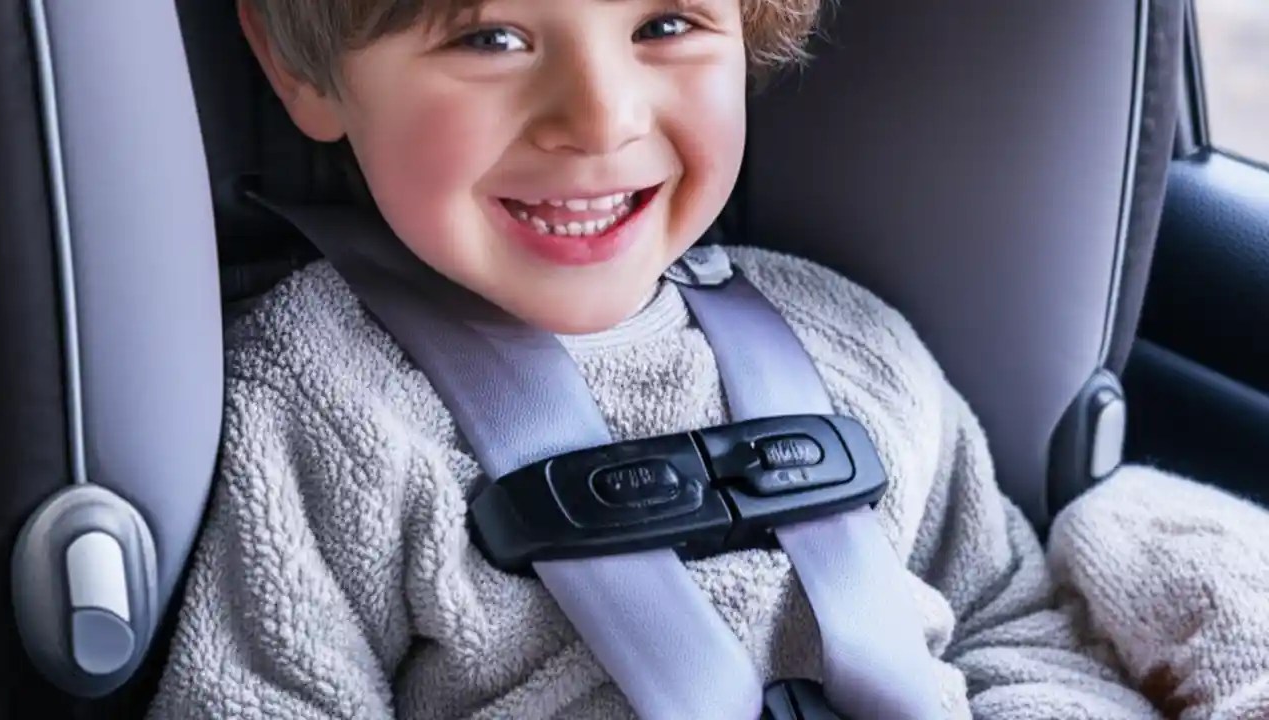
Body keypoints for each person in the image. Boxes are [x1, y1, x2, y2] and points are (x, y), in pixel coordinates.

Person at [149, 0, 1269, 717]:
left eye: (666, 22)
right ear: (305, 70)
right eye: (489, 36)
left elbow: (1002, 618)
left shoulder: (846, 343)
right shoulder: (316, 402)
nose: (596, 117)